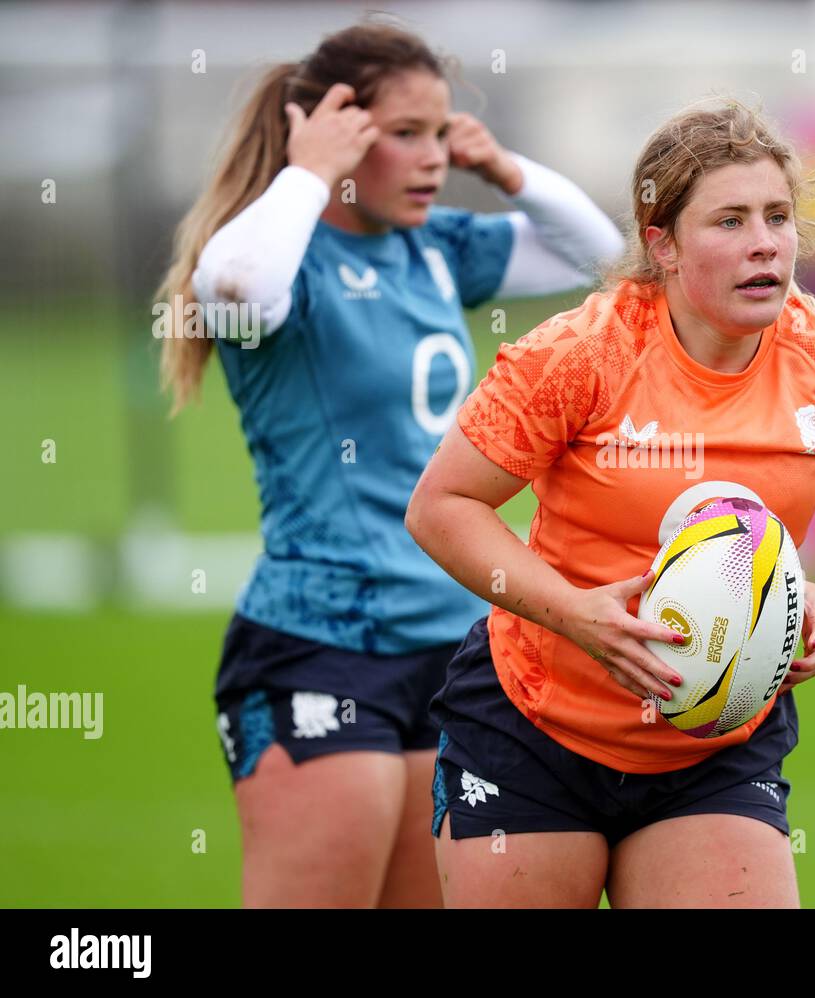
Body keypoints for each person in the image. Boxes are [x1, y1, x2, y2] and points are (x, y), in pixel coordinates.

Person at [406, 98, 815, 907]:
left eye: (778, 217)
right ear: (664, 246)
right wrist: (574, 613)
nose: (764, 243)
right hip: (531, 733)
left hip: (712, 750)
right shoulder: (578, 355)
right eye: (729, 221)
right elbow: (442, 508)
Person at [153, 21, 623, 907]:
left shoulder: (432, 247)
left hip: (454, 651)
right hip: (324, 648)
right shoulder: (282, 258)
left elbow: (604, 258)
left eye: (439, 134)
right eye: (404, 134)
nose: (431, 159)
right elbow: (238, 288)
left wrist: (508, 171)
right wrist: (305, 170)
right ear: (331, 131)